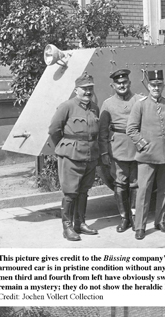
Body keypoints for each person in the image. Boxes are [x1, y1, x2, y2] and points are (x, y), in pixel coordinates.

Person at [48, 74, 102, 241]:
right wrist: (66, 147)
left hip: (90, 155)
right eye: (84, 88)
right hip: (71, 156)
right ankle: (67, 227)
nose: (87, 91)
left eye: (90, 88)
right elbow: (54, 130)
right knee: (70, 192)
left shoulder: (94, 107)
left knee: (84, 191)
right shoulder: (67, 107)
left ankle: (80, 223)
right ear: (76, 89)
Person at [126, 69, 165, 239]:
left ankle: (160, 221)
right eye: (153, 85)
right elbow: (131, 129)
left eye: (159, 85)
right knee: (143, 191)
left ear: (163, 85)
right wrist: (143, 144)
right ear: (148, 86)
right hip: (146, 156)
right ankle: (140, 226)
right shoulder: (140, 104)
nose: (156, 88)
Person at [98, 69, 141, 233]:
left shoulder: (139, 100)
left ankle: (136, 218)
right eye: (118, 83)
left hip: (136, 147)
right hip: (118, 149)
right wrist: (104, 153)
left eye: (125, 82)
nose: (122, 85)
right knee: (120, 184)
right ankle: (124, 218)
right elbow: (102, 132)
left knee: (136, 184)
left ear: (129, 83)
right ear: (113, 85)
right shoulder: (107, 104)